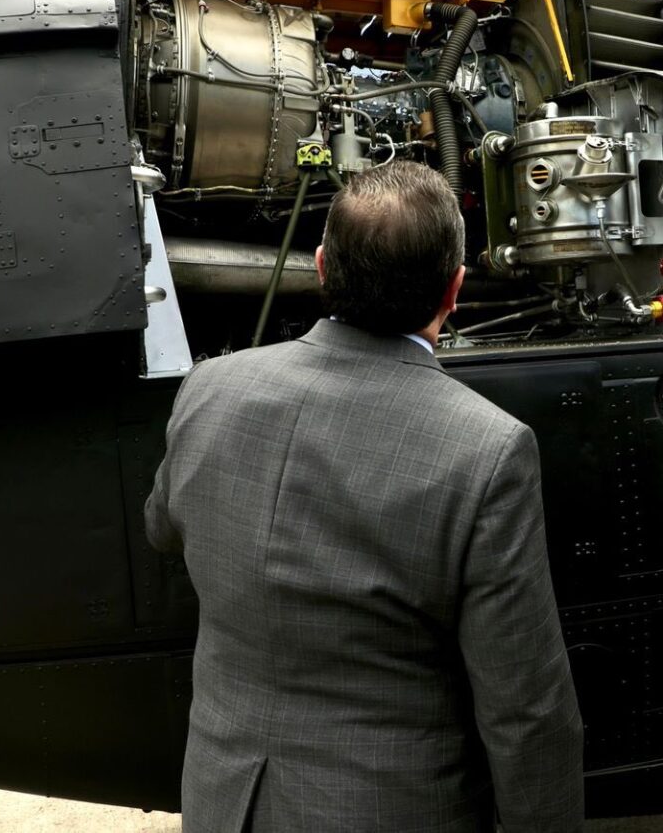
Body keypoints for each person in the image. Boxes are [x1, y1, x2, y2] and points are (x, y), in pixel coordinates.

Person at [144, 161, 584, 833]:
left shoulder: (209, 388)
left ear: (321, 267)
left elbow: (161, 528)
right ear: (455, 287)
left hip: (228, 804)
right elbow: (525, 711)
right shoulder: (487, 450)